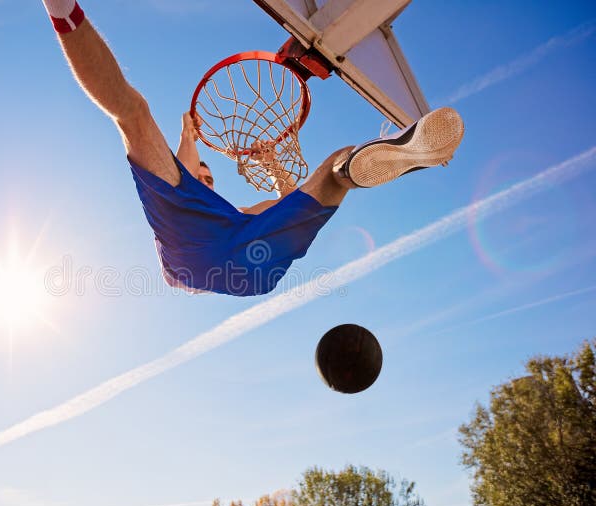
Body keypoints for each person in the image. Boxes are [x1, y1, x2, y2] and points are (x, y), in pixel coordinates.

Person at [40, 0, 464, 296]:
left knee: (333, 172)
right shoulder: (214, 212)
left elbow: (285, 204)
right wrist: (190, 138)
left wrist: (263, 159)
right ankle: (366, 161)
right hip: (239, 263)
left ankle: (364, 161)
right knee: (328, 178)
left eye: (205, 175)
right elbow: (276, 204)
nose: (202, 176)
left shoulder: (222, 218)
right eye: (205, 174)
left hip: (236, 265)